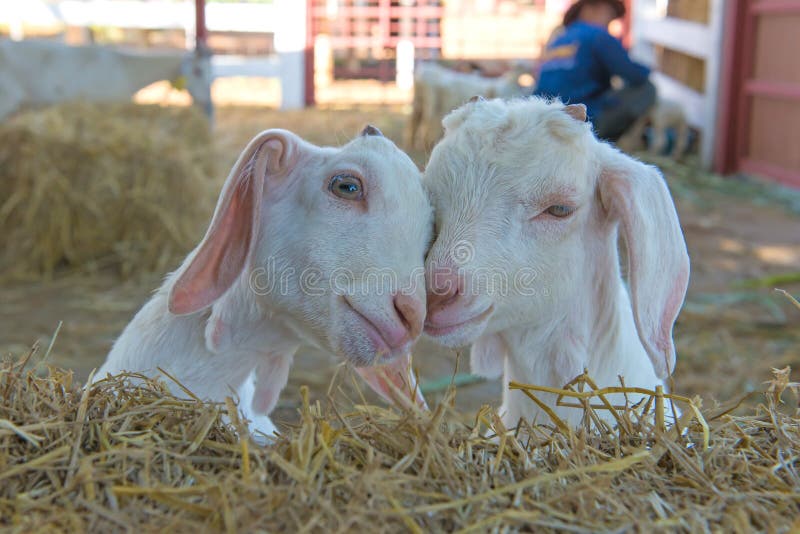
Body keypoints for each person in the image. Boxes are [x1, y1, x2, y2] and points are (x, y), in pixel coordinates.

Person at [533, 0, 656, 141]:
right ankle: (602, 143)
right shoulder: (598, 35)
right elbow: (635, 75)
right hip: (579, 120)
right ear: (592, 8)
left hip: (542, 119)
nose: (609, 24)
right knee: (647, 88)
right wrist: (649, 68)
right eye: (609, 17)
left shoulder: (560, 39)